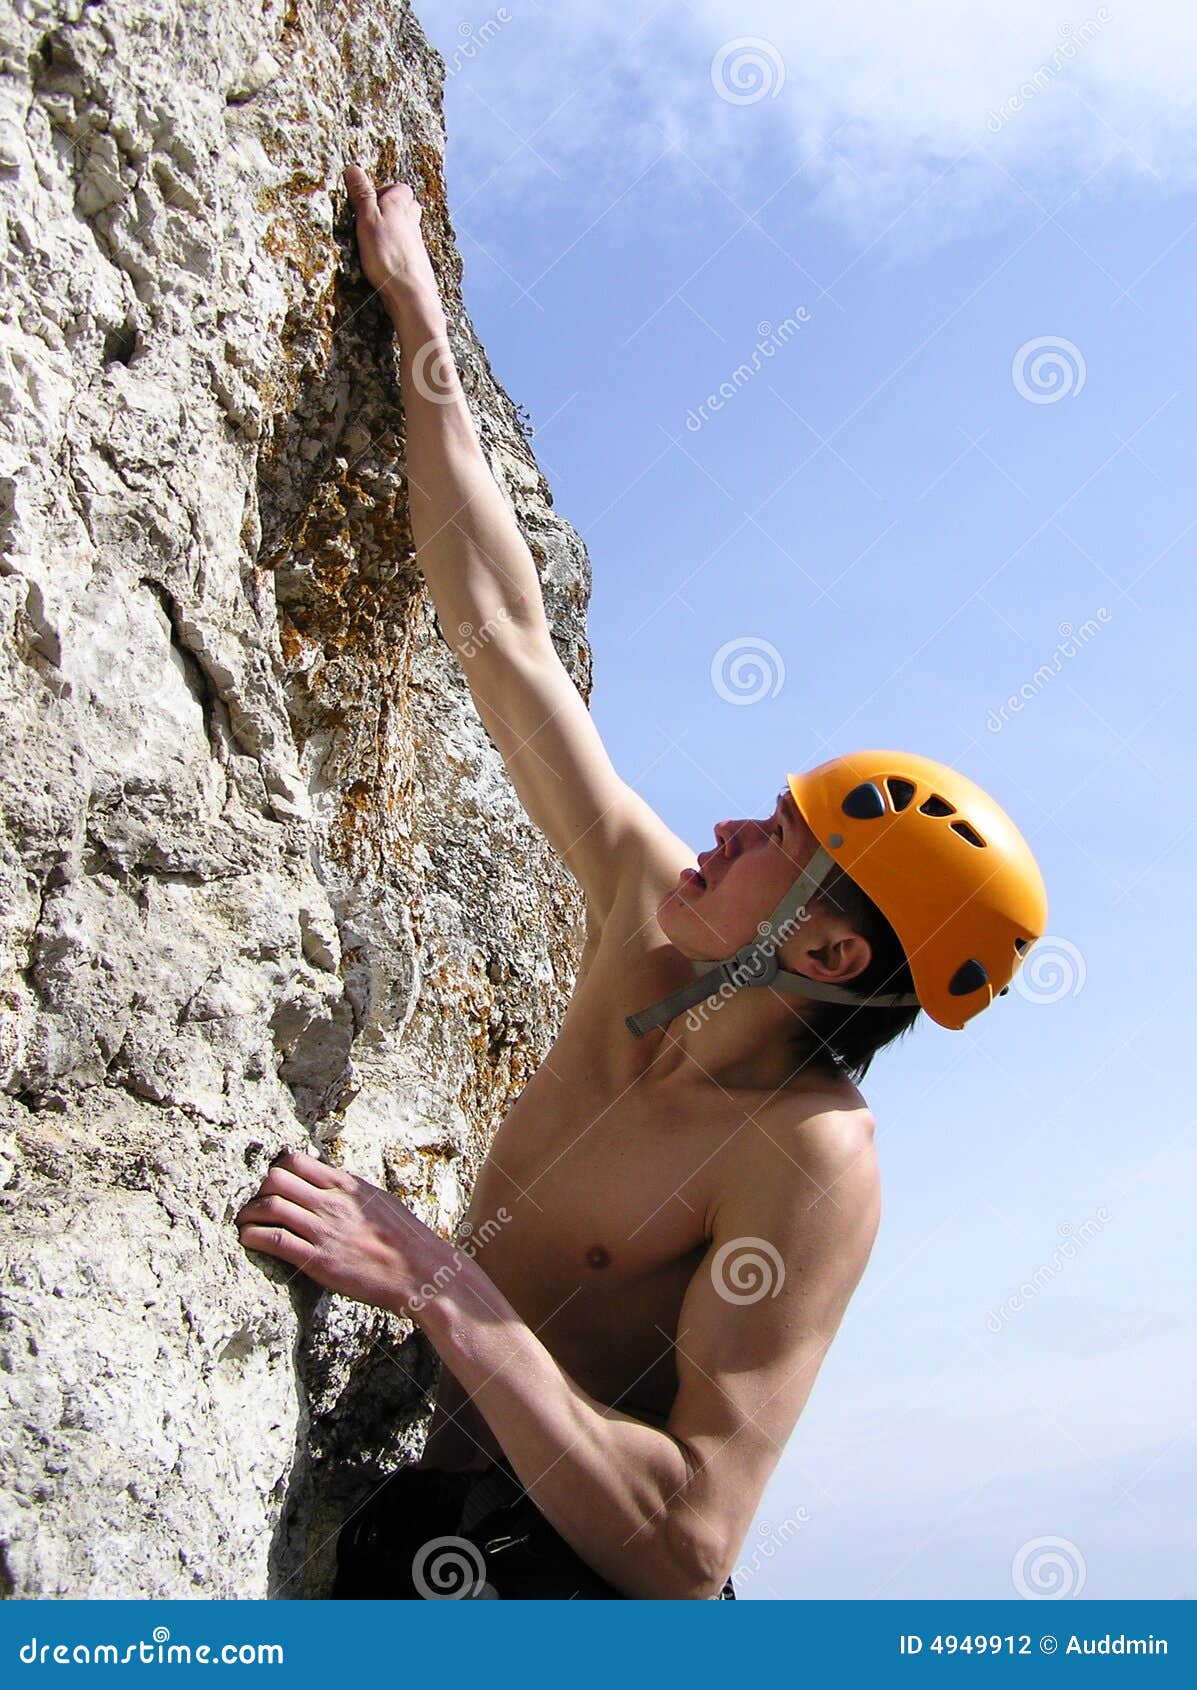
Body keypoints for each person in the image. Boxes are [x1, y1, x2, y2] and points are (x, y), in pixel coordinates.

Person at [235, 165, 1048, 1601]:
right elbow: (499, 630)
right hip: (446, 1521)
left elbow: (688, 1544)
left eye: (781, 843)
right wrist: (419, 309)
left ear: (837, 956)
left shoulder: (806, 1158)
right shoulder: (643, 910)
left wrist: (440, 1283)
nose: (727, 828)